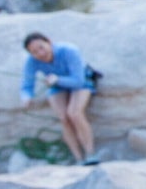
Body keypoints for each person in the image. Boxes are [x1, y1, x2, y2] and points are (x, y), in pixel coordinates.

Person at [20, 32, 97, 164]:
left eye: (41, 47)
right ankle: (78, 158)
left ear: (49, 42)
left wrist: (58, 79)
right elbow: (26, 85)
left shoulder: (69, 51)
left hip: (79, 81)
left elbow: (78, 81)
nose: (40, 53)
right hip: (55, 84)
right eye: (34, 52)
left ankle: (90, 153)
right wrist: (26, 97)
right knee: (63, 117)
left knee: (75, 113)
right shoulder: (31, 61)